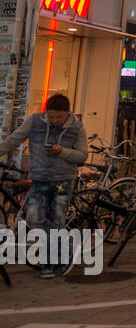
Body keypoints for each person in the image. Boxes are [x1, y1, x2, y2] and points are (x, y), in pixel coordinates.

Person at [0, 93, 88, 278]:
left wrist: (62, 151)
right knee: (34, 219)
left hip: (64, 179)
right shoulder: (34, 122)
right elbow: (13, 140)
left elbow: (82, 156)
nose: (54, 120)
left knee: (57, 219)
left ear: (67, 113)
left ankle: (47, 265)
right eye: (51, 116)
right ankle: (65, 244)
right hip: (40, 177)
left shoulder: (77, 128)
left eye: (58, 117)